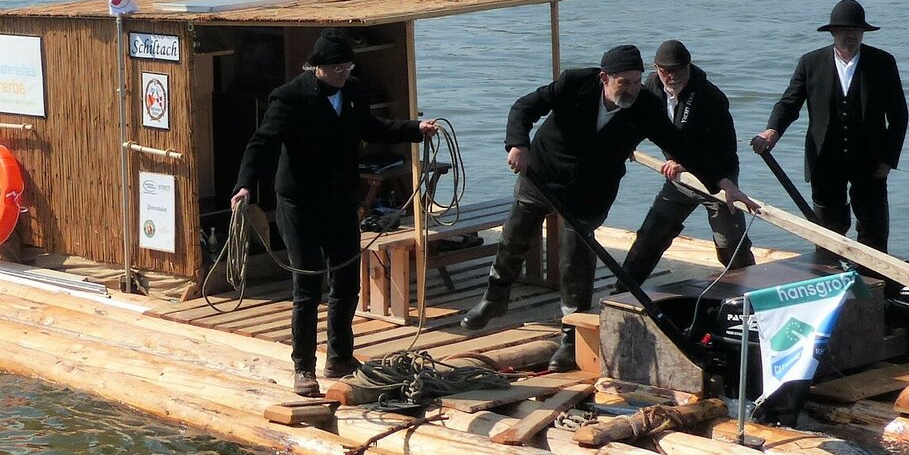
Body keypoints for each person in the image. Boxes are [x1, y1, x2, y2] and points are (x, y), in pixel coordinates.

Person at [231, 30, 438, 397]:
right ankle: (303, 367)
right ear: (316, 68)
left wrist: (414, 130)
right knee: (308, 285)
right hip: (299, 202)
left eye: (347, 66)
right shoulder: (290, 97)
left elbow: (373, 129)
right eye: (336, 68)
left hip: (341, 198)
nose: (343, 73)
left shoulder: (354, 91)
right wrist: (245, 185)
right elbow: (262, 142)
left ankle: (340, 356)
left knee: (345, 281)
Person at [457, 45, 678, 372]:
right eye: (623, 83)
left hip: (592, 188)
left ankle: (570, 334)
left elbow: (675, 140)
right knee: (515, 234)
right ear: (604, 78)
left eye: (635, 82)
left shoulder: (644, 104)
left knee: (576, 255)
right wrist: (518, 143)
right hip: (544, 170)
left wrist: (705, 171)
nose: (631, 90)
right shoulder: (575, 83)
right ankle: (495, 296)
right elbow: (524, 107)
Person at [751, 0, 908, 255]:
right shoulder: (810, 63)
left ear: (863, 33)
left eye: (855, 30)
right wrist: (772, 131)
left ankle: (878, 285)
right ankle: (828, 278)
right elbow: (789, 104)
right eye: (844, 30)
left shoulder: (882, 63)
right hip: (825, 159)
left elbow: (899, 115)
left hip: (871, 160)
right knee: (827, 229)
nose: (850, 36)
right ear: (833, 32)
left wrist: (888, 160)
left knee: (874, 228)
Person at [620, 39, 757, 286]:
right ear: (656, 68)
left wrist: (685, 164)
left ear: (689, 66)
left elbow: (725, 150)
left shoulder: (710, 98)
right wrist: (627, 141)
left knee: (729, 244)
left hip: (716, 180)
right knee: (651, 235)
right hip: (678, 182)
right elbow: (641, 119)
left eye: (678, 70)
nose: (671, 76)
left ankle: (752, 289)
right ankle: (624, 290)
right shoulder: (651, 86)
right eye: (665, 71)